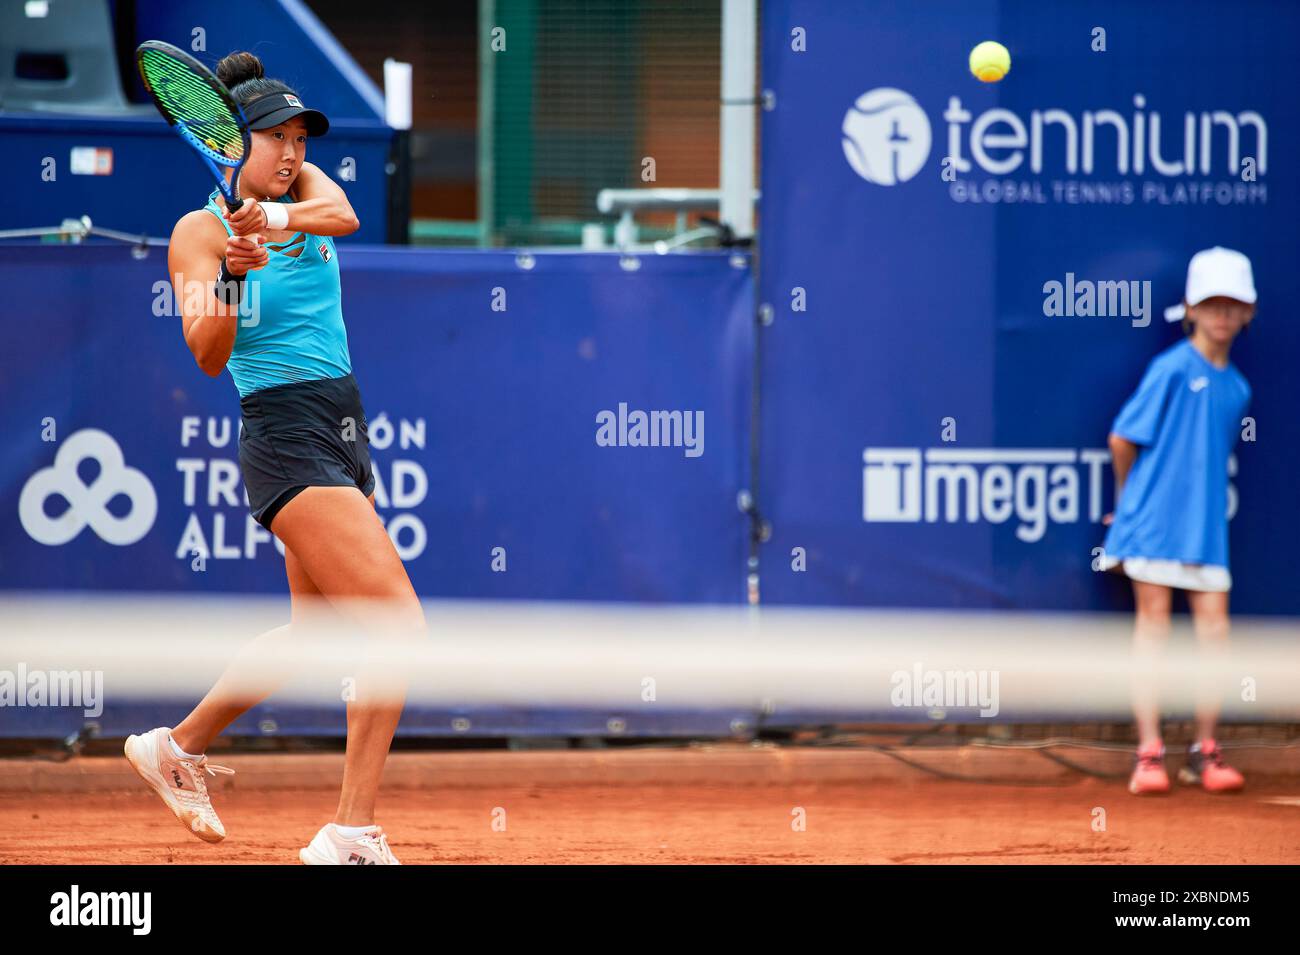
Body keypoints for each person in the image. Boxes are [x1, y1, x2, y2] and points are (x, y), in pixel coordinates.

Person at [123, 51, 423, 863]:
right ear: (231, 145)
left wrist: (275, 220)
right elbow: (209, 354)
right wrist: (227, 273)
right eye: (276, 139)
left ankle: (174, 748)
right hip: (285, 434)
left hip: (343, 425)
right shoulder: (195, 233)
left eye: (300, 138)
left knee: (316, 633)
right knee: (397, 625)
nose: (292, 153)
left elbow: (345, 218)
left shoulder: (306, 193)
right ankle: (350, 832)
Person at [1101, 246, 1254, 796]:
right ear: (1190, 309)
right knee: (1155, 632)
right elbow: (1122, 439)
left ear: (1247, 314)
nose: (1221, 314)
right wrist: (1129, 502)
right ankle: (1148, 756)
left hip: (1206, 535)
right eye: (1211, 303)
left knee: (1215, 637)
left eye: (1232, 304)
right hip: (1150, 528)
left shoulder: (1238, 388)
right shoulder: (1169, 369)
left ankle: (1204, 753)